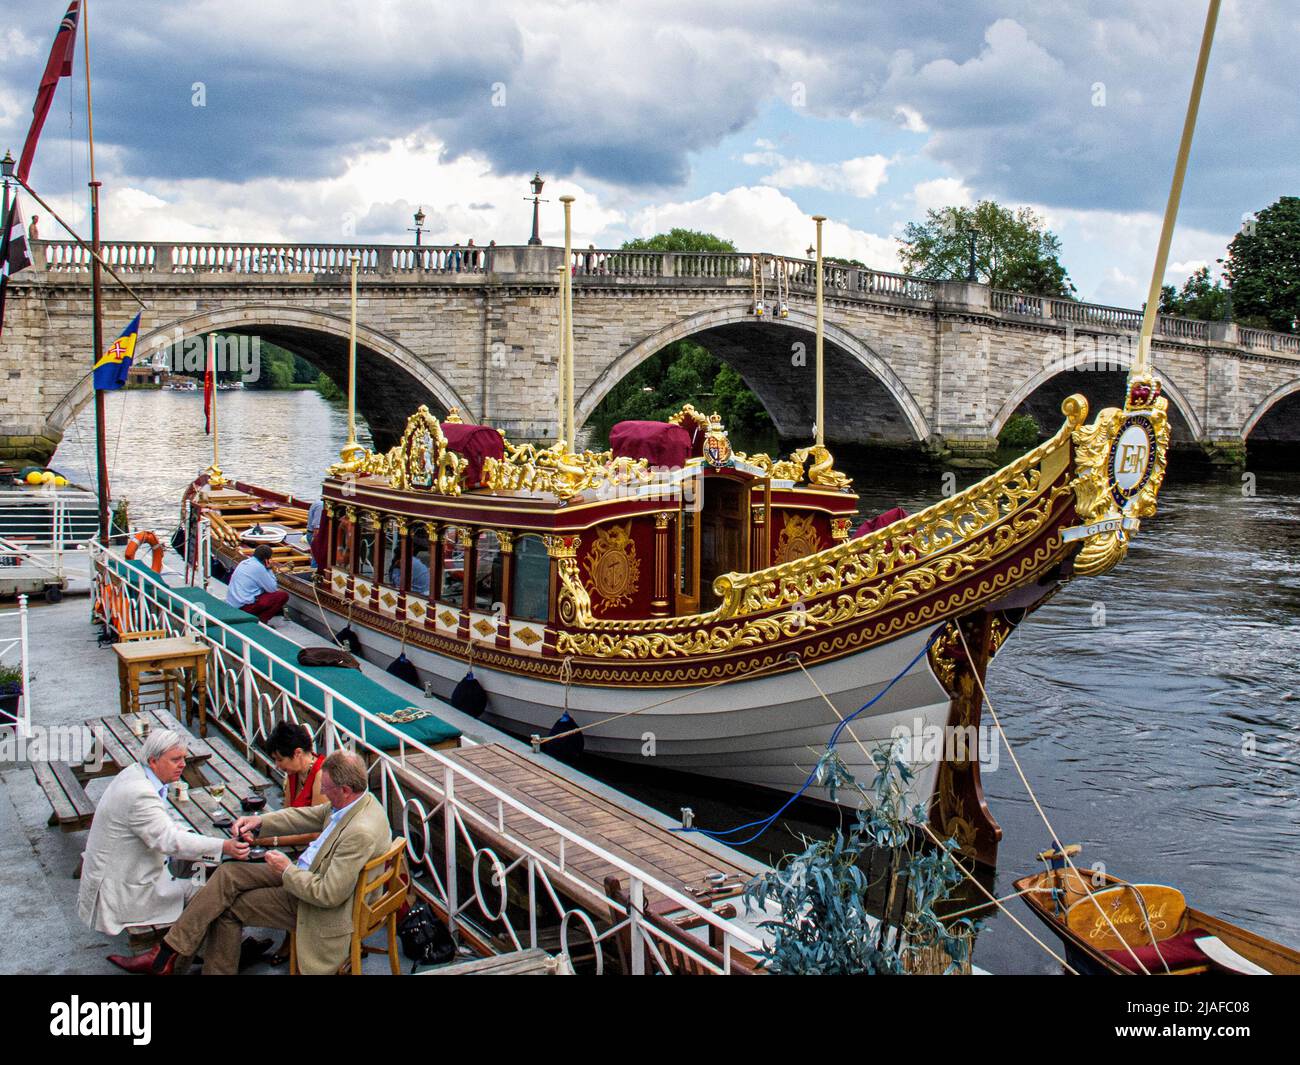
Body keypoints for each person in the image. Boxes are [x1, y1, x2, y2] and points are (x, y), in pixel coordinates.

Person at [113, 751, 392, 976]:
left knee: (226, 909)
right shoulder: (357, 802)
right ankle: (168, 953)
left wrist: (287, 869)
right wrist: (260, 822)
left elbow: (327, 894)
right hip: (307, 872)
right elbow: (310, 814)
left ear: (345, 789)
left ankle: (168, 958)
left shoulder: (359, 832)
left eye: (327, 789)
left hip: (319, 904)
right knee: (228, 873)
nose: (324, 794)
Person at [84, 731, 248, 943]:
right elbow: (168, 840)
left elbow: (161, 827)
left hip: (118, 875)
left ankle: (189, 948)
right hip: (127, 893)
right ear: (153, 761)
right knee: (215, 893)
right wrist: (224, 846)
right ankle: (183, 953)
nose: (182, 765)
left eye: (183, 758)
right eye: (175, 759)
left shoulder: (134, 773)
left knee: (201, 866)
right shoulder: (140, 794)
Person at [225, 544, 289, 625]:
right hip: (244, 607)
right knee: (282, 595)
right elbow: (273, 589)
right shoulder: (259, 568)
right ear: (266, 560)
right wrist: (269, 569)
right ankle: (262, 620)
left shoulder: (244, 562)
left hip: (233, 603)